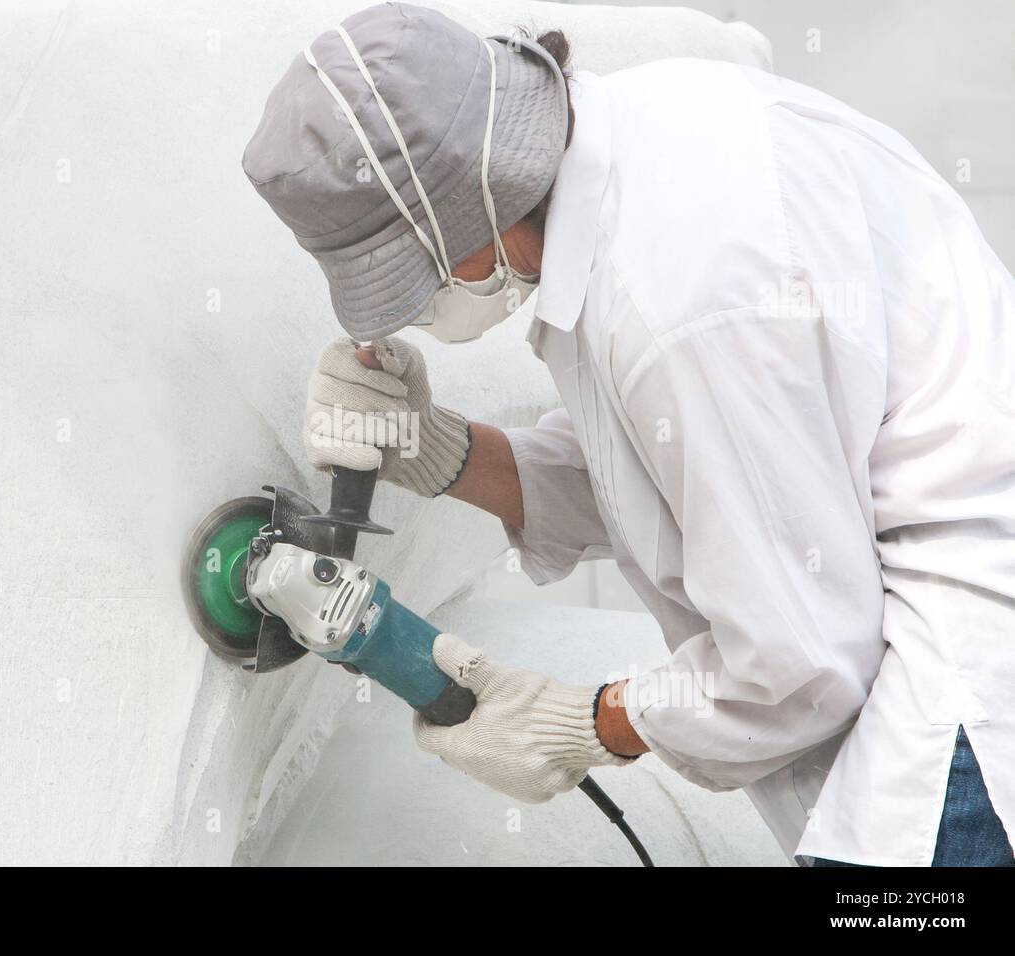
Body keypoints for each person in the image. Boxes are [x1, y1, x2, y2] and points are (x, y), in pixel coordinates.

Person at [240, 2, 1015, 866]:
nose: (416, 312)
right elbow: (676, 474)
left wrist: (586, 723)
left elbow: (798, 667)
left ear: (464, 220)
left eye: (409, 282)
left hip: (954, 714)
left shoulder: (681, 301)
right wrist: (435, 449)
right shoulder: (650, 149)